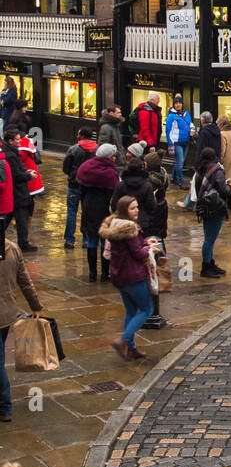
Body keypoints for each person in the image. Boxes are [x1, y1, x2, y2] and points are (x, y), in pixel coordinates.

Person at [100, 194, 154, 362]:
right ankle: (123, 339)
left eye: (137, 207)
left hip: (119, 275)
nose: (136, 210)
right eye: (132, 208)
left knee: (131, 310)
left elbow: (130, 248)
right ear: (124, 210)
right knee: (146, 309)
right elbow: (137, 253)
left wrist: (144, 242)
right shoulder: (130, 229)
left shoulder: (115, 225)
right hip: (133, 276)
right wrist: (151, 249)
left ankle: (131, 349)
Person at [0, 227, 45, 424]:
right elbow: (25, 282)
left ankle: (4, 407)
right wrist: (36, 306)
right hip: (6, 313)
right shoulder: (12, 249)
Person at [76, 144, 120, 282]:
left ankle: (92, 273)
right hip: (103, 209)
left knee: (92, 241)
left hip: (89, 206)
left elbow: (81, 191)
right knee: (105, 241)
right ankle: (105, 273)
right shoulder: (110, 173)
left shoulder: (86, 167)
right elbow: (112, 194)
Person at [193, 148, 230, 278]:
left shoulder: (200, 170)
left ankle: (210, 263)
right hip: (215, 207)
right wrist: (228, 186)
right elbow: (224, 190)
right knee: (210, 239)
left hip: (204, 207)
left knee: (209, 236)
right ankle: (206, 267)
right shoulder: (216, 170)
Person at [61, 126, 97, 249]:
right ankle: (86, 240)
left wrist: (71, 175)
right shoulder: (96, 150)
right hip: (90, 185)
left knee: (71, 211)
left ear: (81, 135)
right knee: (86, 212)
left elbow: (66, 167)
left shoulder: (73, 149)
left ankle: (69, 240)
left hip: (74, 184)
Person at [1, 132, 35, 253]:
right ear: (11, 141)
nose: (20, 141)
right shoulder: (10, 155)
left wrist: (26, 171)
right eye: (18, 139)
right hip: (17, 193)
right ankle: (24, 244)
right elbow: (16, 174)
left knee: (9, 218)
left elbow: (19, 168)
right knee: (21, 219)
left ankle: (23, 243)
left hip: (14, 193)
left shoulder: (10, 152)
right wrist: (28, 175)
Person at [165, 95, 193, 189]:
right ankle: (181, 182)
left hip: (186, 141)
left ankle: (173, 177)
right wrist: (170, 144)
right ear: (173, 105)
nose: (178, 105)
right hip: (176, 142)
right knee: (180, 162)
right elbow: (168, 131)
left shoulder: (186, 114)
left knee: (179, 161)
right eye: (176, 103)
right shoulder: (171, 116)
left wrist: (192, 130)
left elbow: (190, 124)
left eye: (179, 103)